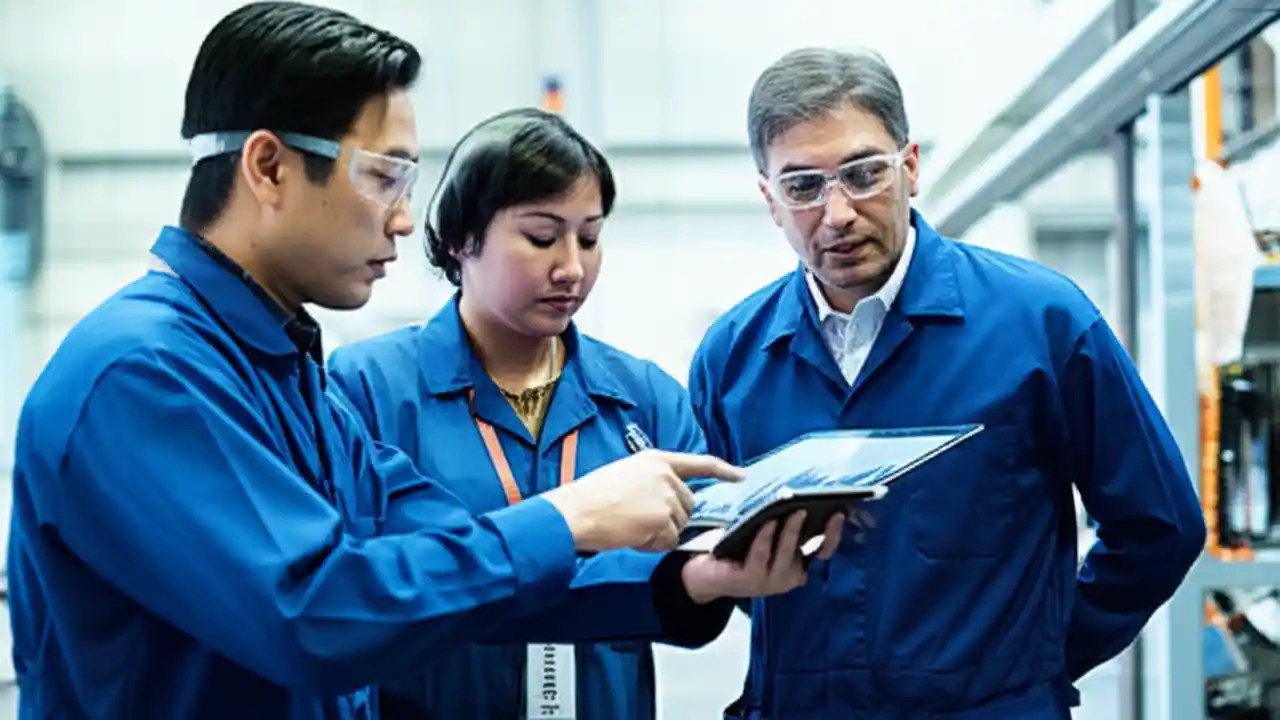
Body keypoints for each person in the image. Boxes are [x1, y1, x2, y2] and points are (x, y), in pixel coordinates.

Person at [3, 6, 840, 719]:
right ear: (269, 167)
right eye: (383, 179)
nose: (405, 221)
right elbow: (315, 612)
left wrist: (690, 579)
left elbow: (454, 555)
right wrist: (569, 516)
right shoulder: (145, 375)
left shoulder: (285, 374)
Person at [688, 46, 1208, 719]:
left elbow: (1160, 526)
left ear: (910, 167)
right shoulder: (733, 357)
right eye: (804, 186)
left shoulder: (1042, 323)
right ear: (770, 199)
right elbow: (711, 550)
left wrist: (1041, 663)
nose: (837, 212)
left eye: (863, 174)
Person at [328, 106, 791, 720]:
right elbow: (372, 586)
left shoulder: (644, 398)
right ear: (461, 238)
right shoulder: (368, 390)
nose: (571, 267)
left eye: (590, 239)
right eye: (542, 238)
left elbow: (697, 565)